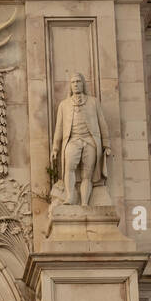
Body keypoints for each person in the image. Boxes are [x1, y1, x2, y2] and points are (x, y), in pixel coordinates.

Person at [51, 73, 111, 206]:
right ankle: (70, 196)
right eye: (73, 82)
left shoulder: (93, 101)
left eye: (78, 81)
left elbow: (102, 123)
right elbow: (59, 128)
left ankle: (85, 203)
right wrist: (55, 148)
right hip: (72, 141)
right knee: (69, 168)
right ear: (70, 86)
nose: (76, 84)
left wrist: (107, 145)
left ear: (83, 84)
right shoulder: (64, 105)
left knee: (87, 175)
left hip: (90, 141)